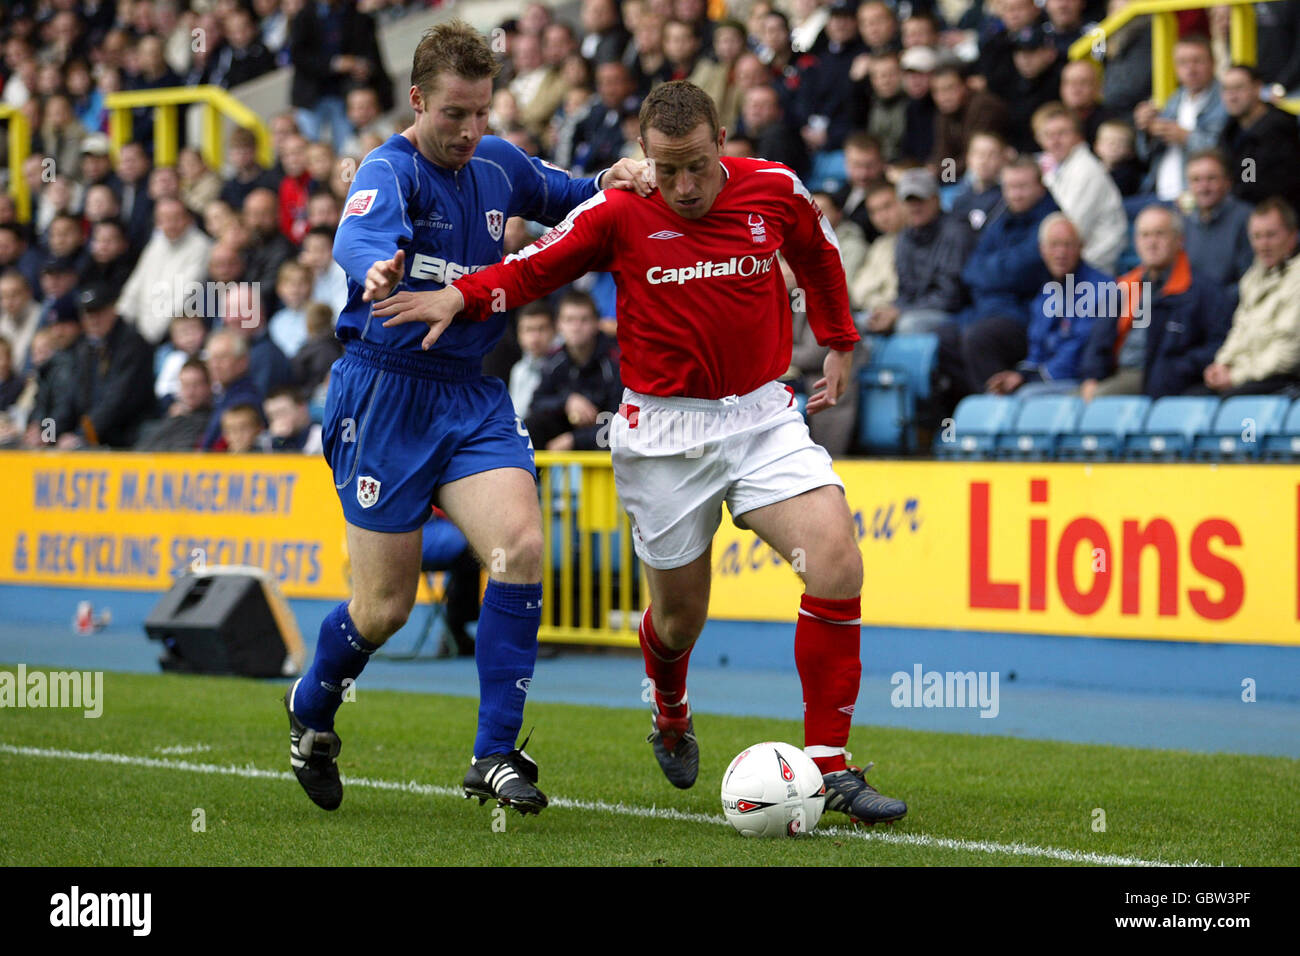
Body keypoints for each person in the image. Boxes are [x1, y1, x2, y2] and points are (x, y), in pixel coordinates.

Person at [381, 80, 909, 826]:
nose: (684, 186)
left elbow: (818, 257)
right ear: (643, 156)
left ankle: (830, 767)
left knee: (836, 561)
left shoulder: (774, 189)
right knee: (679, 622)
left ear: (721, 141)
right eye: (667, 170)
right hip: (663, 436)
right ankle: (669, 706)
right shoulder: (620, 211)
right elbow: (533, 267)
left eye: (696, 165)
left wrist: (839, 340)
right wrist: (459, 296)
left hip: (762, 416)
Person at [282, 20, 651, 816]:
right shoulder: (388, 169)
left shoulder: (498, 159)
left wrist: (612, 176)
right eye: (454, 113)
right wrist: (370, 266)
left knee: (520, 549)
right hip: (384, 394)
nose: (470, 129)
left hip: (470, 391)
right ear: (417, 101)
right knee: (383, 608)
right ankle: (311, 708)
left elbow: (569, 195)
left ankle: (494, 753)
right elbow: (359, 235)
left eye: (482, 111)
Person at [1195, 198, 1300, 397]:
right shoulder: (1253, 276)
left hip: (1284, 378)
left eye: (1271, 235)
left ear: (1292, 236)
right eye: (1257, 237)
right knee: (1189, 399)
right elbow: (1239, 329)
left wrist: (1236, 376)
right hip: (1249, 375)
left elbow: (1288, 354)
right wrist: (1222, 364)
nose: (1263, 244)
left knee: (1227, 402)